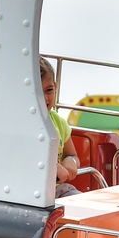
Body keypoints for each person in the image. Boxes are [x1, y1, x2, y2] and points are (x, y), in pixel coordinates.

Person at [39, 57, 81, 198]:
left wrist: (71, 161)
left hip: (58, 190)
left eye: (49, 90)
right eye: (38, 92)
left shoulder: (58, 122)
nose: (45, 99)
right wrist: (54, 168)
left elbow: (73, 154)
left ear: (55, 87)